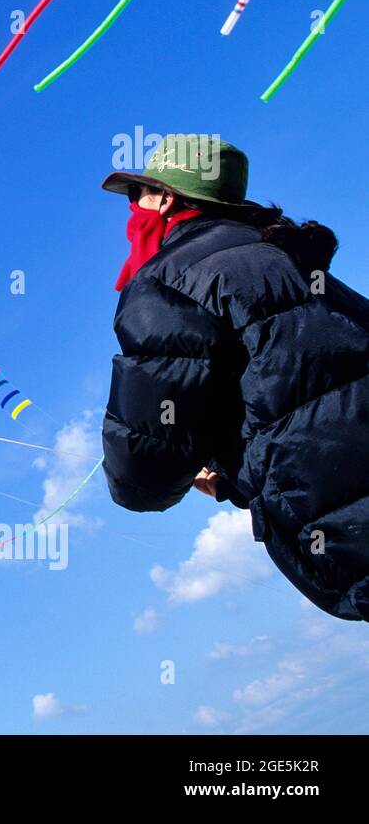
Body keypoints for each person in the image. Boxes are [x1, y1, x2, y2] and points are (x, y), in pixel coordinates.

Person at [100, 134, 369, 621]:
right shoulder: (286, 254)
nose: (132, 207)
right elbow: (288, 388)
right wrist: (227, 475)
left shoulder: (165, 281)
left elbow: (144, 468)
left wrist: (142, 482)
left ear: (166, 199)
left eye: (137, 194)